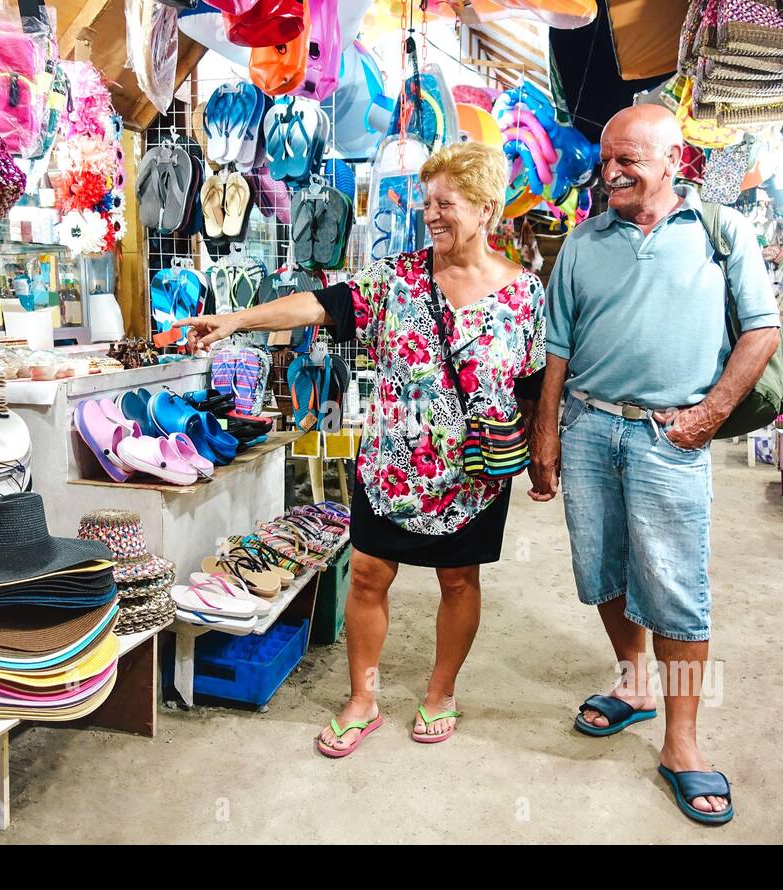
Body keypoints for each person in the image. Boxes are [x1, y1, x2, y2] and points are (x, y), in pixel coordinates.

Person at [186, 142, 547, 757]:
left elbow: (534, 383)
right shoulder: (397, 278)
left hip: (476, 470)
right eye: (427, 203)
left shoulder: (525, 293)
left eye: (445, 203)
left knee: (459, 581)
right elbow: (320, 305)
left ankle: (440, 693)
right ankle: (363, 698)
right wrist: (238, 320)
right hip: (392, 465)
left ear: (486, 208)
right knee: (370, 576)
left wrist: (539, 451)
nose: (430, 215)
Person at [528, 105, 781, 825]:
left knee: (674, 584)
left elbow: (762, 331)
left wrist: (709, 416)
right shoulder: (583, 241)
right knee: (601, 567)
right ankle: (634, 682)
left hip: (670, 437)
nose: (610, 172)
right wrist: (546, 428)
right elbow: (557, 343)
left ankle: (682, 742)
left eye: (628, 159)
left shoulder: (720, 231)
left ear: (674, 159)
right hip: (587, 428)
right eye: (606, 158)